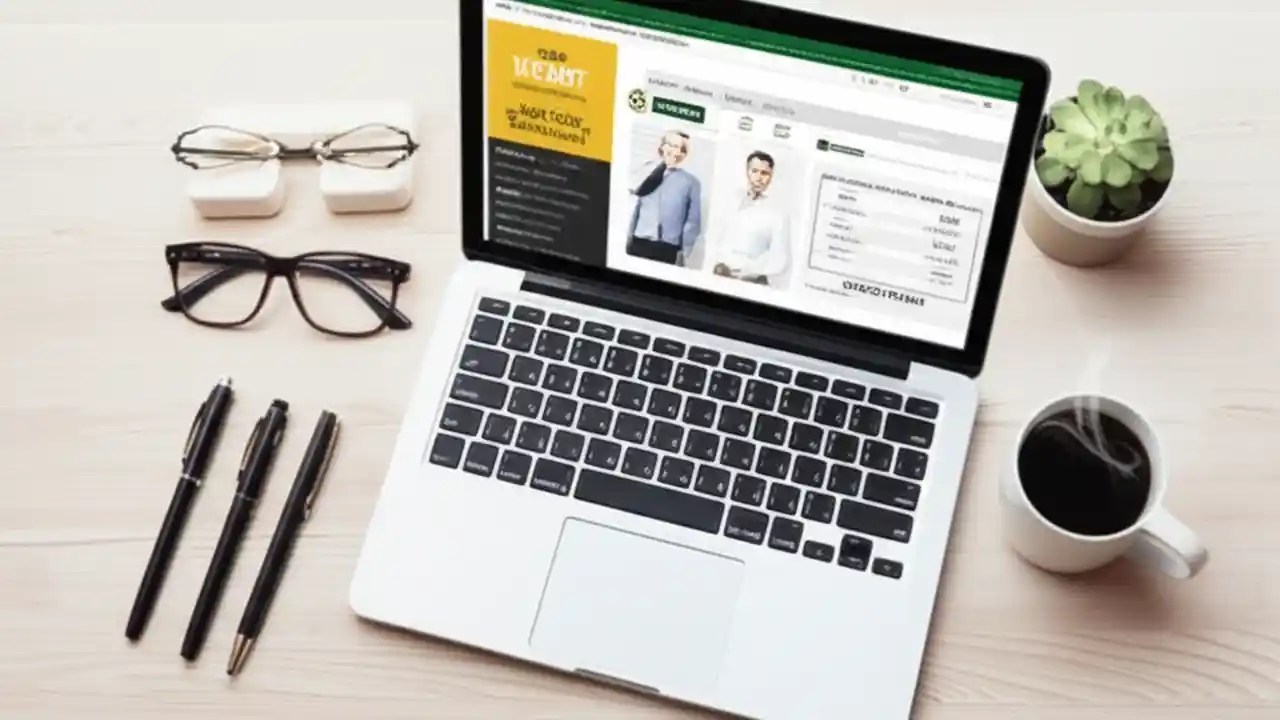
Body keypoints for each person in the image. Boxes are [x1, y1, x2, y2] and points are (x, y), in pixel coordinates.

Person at [712, 150, 790, 286]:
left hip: (752, 283)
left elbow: (780, 259)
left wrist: (749, 271)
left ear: (771, 176)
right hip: (720, 278)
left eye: (764, 173)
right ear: (747, 172)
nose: (759, 178)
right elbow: (717, 240)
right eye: (754, 171)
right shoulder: (731, 202)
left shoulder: (777, 213)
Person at [626, 130, 703, 266]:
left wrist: (684, 252)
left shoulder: (691, 183)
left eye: (675, 146)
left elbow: (693, 221)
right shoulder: (646, 173)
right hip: (640, 241)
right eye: (667, 144)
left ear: (683, 153)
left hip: (668, 247)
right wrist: (629, 237)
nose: (670, 149)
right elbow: (636, 206)